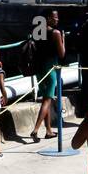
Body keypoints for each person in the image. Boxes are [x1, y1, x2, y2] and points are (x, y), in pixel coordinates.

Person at [29, 10, 66, 141]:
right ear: (48, 18)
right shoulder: (55, 33)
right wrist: (63, 40)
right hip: (50, 69)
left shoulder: (37, 32)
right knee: (47, 100)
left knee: (45, 98)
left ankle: (49, 130)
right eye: (55, 17)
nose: (57, 20)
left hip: (39, 70)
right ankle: (36, 129)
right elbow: (62, 54)